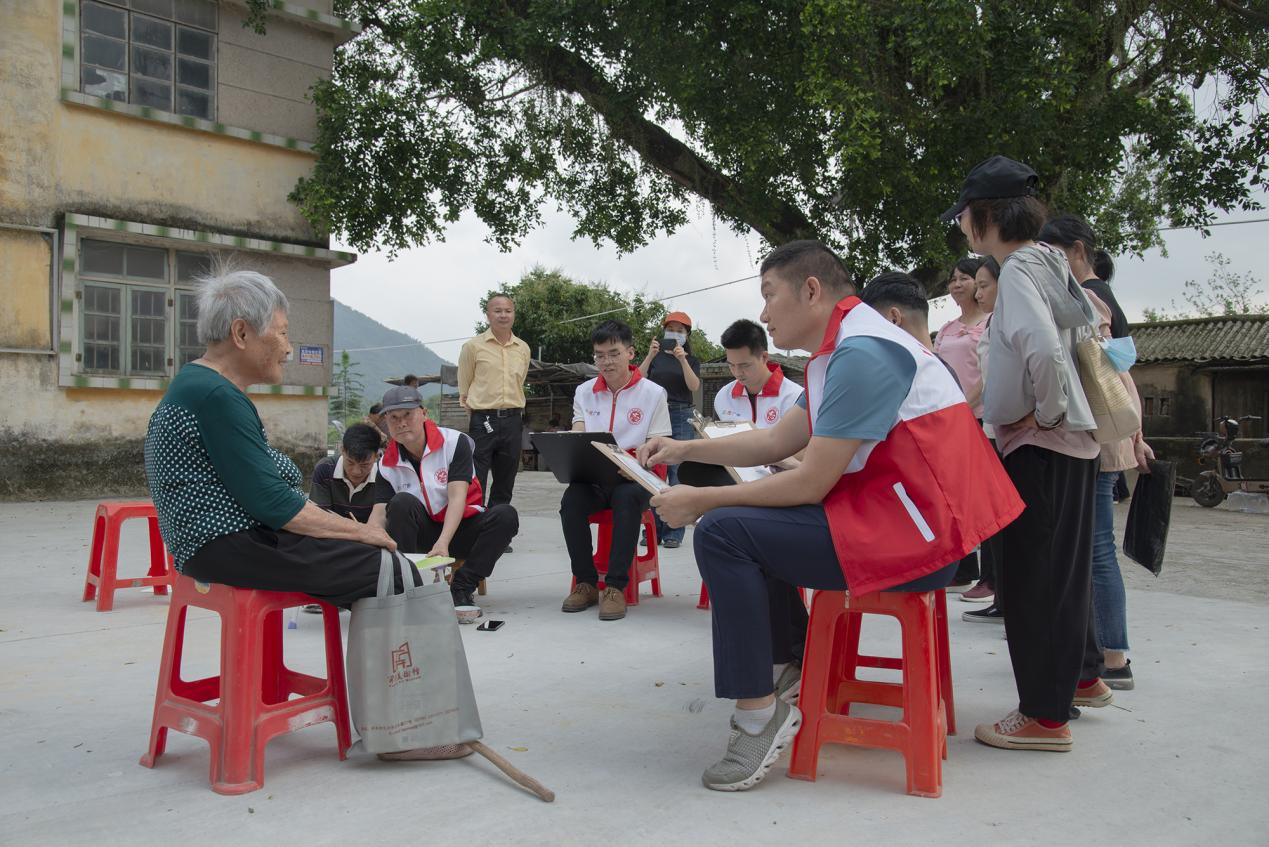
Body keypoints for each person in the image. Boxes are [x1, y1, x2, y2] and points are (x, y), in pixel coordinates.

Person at [638, 240, 1022, 790]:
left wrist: (702, 501)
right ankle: (788, 665)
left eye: (770, 295)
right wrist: (683, 449)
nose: (764, 313)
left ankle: (758, 713)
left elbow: (813, 480)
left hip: (920, 539)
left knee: (724, 532)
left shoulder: (863, 352)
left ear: (811, 290)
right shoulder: (840, 349)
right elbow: (775, 440)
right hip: (895, 518)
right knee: (744, 525)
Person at [144, 270, 470, 761]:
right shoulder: (214, 395)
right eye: (281, 333)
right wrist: (360, 533)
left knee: (380, 563)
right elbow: (275, 506)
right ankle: (405, 731)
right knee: (392, 570)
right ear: (241, 333)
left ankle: (404, 718)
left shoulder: (199, 386)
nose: (289, 347)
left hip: (222, 540)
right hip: (230, 542)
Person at [943, 154, 1114, 752]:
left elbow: (1041, 349)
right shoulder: (1052, 261)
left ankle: (1043, 716)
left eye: (964, 216)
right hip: (1075, 446)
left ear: (983, 215)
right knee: (1063, 578)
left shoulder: (1016, 270)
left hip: (1039, 444)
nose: (963, 226)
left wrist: (1040, 412)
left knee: (1032, 582)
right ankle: (1071, 688)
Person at [1039, 214, 1154, 690]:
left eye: (1054, 254)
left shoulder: (1088, 297)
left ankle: (1112, 654)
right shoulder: (1106, 296)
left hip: (1098, 436)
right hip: (1111, 433)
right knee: (1094, 545)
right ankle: (1105, 650)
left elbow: (1096, 367)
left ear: (1079, 250)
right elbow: (1124, 367)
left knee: (1095, 547)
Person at [369, 385, 519, 611]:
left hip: (461, 529)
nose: (401, 423)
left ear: (424, 413)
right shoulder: (385, 464)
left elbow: (457, 496)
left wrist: (444, 541)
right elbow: (379, 513)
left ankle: (461, 586)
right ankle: (409, 587)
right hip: (421, 535)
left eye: (408, 414)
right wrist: (365, 542)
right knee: (400, 503)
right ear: (386, 423)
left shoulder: (454, 442)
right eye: (393, 418)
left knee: (506, 515)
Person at [561, 320, 672, 620]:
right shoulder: (584, 392)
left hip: (638, 478)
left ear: (630, 353)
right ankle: (585, 582)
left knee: (626, 499)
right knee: (571, 501)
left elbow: (660, 444)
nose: (606, 362)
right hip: (596, 479)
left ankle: (615, 587)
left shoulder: (653, 393)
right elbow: (579, 432)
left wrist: (638, 465)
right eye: (599, 355)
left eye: (613, 353)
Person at [933, 257, 989, 593]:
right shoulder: (947, 329)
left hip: (980, 416)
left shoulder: (990, 323)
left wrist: (967, 405)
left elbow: (989, 373)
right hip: (950, 419)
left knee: (979, 495)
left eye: (965, 278)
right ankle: (962, 565)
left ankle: (991, 576)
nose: (957, 284)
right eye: (952, 279)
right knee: (951, 493)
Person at [960, 257, 1006, 612]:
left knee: (999, 514)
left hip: (993, 426)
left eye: (984, 284)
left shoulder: (1006, 324)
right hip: (988, 426)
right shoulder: (992, 323)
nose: (978, 290)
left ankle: (998, 586)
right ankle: (999, 590)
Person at [458, 293, 532, 513]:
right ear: (488, 315)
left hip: (512, 420)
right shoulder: (473, 347)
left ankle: (497, 529)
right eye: (497, 311)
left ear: (514, 314)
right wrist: (477, 415)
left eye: (508, 311)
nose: (503, 315)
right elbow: (465, 387)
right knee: (476, 477)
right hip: (483, 420)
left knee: (506, 478)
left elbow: (521, 381)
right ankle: (474, 526)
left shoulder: (523, 348)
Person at [639, 311, 702, 548]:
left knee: (677, 472)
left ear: (687, 335)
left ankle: (674, 532)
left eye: (680, 330)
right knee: (653, 471)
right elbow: (638, 378)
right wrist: (649, 355)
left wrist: (683, 359)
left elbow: (694, 385)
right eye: (671, 328)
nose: (674, 333)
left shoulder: (691, 360)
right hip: (655, 413)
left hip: (681, 413)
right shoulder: (655, 356)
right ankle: (651, 529)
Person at [714, 318, 803, 427]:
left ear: (764, 357)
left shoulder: (794, 397)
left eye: (744, 365)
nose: (737, 373)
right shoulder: (723, 397)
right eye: (731, 365)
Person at [310, 423, 383, 524]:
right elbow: (319, 517)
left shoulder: (384, 475)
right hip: (331, 535)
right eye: (350, 462)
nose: (356, 472)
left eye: (364, 465)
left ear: (376, 456)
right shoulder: (325, 469)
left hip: (370, 537)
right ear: (342, 450)